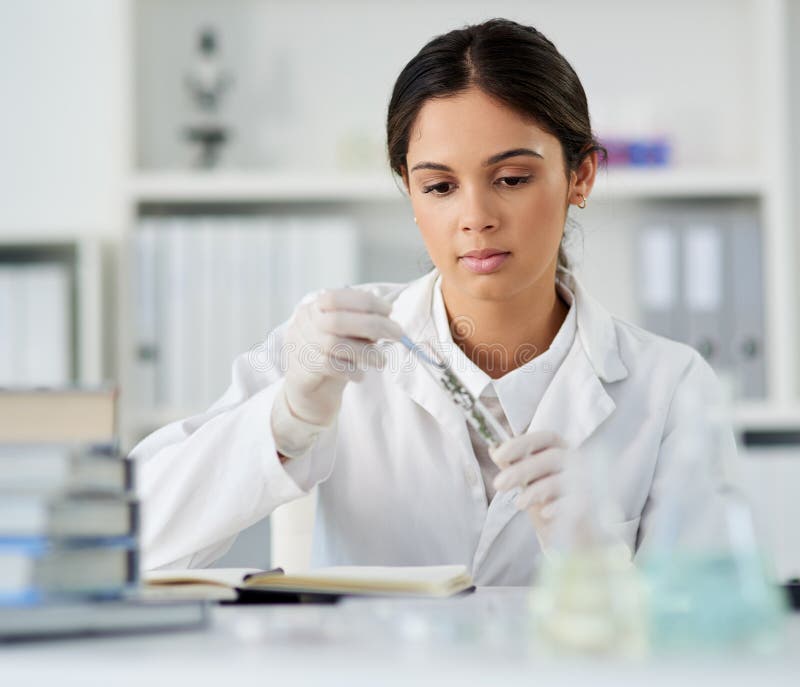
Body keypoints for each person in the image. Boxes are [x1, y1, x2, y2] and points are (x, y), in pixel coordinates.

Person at [133, 18, 735, 583]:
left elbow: (707, 640)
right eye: (440, 186)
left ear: (581, 176)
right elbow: (133, 542)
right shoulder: (333, 339)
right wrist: (289, 418)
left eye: (512, 179)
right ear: (410, 189)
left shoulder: (672, 386)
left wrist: (595, 559)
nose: (475, 218)